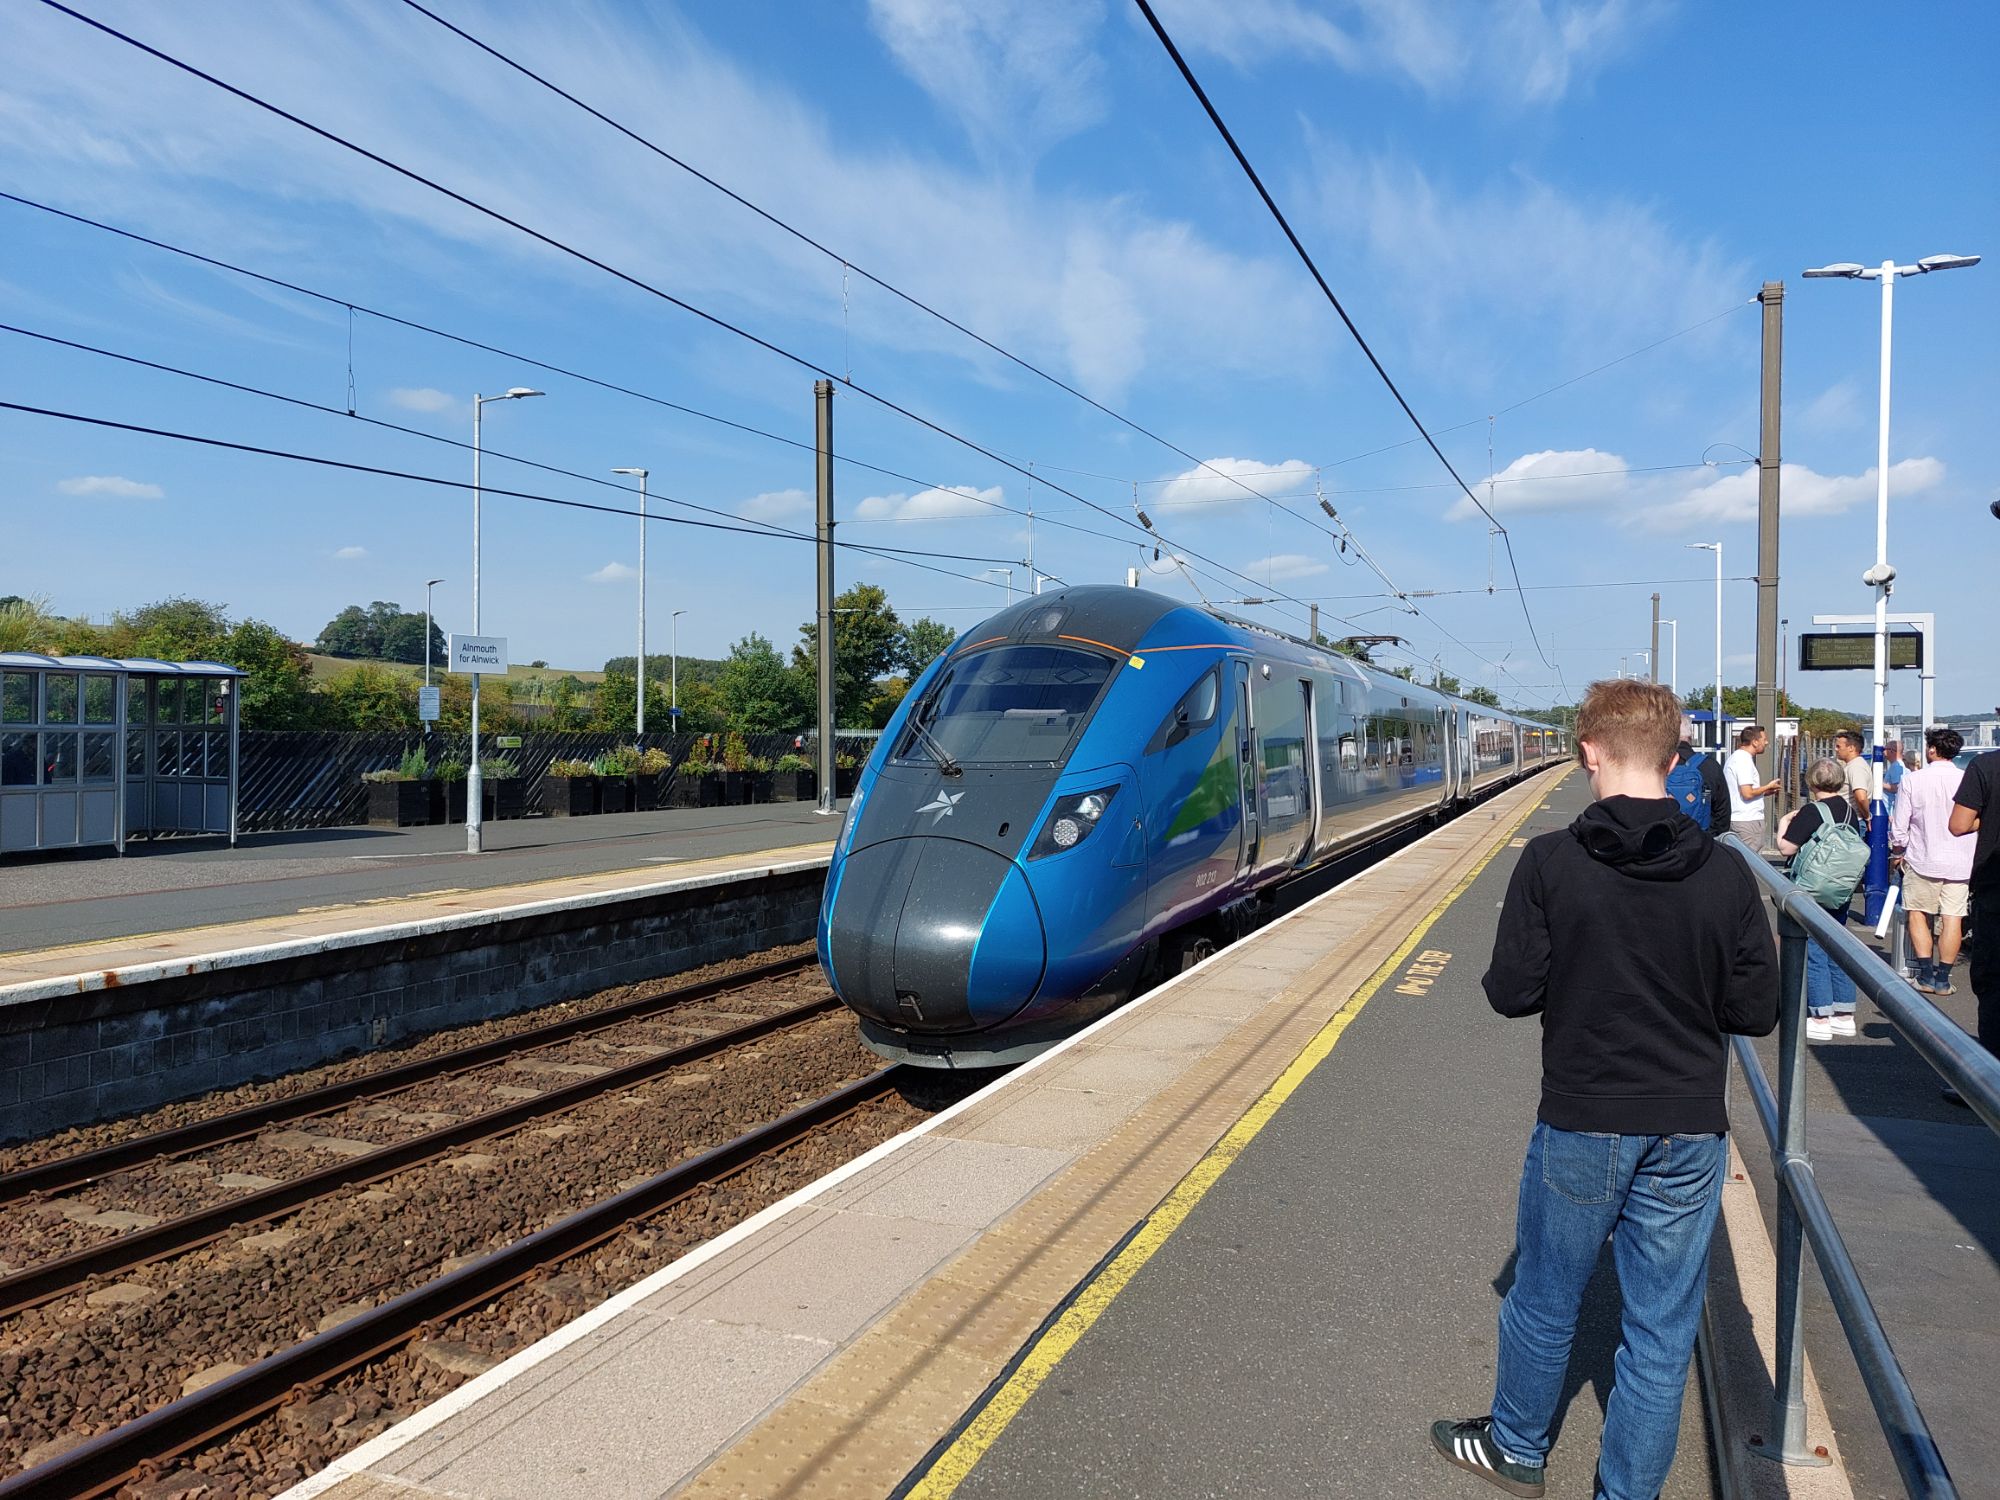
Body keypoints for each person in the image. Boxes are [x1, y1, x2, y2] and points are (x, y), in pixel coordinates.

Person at [1433, 680, 1777, 1500]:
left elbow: (1510, 992)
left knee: (1546, 1298)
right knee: (1660, 1335)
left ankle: (1517, 1447)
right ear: (1674, 758)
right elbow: (1754, 1011)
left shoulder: (1551, 862)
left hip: (1584, 1119)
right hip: (1689, 1127)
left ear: (1589, 752)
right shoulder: (1727, 874)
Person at [1778, 759, 1865, 1038]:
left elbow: (1785, 847)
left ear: (1811, 782)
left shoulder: (1812, 811)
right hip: (1841, 888)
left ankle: (1820, 1015)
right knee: (1837, 946)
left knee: (1814, 948)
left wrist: (1783, 823)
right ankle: (1844, 1012)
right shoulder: (1850, 812)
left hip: (1812, 887)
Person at [1892, 728, 1973, 997]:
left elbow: (1900, 824)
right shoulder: (1966, 780)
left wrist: (1897, 850)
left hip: (1923, 857)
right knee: (1953, 917)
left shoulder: (1913, 781)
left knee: (1918, 912)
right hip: (1961, 861)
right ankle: (1943, 978)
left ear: (1931, 750)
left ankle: (1925, 975)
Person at [1949, 746, 2000, 1102]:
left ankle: (1989, 1085)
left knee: (1994, 984)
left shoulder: (1985, 765)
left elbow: (1959, 824)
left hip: (1995, 889)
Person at [1724, 724, 1779, 843]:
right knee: (1750, 859)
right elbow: (1747, 793)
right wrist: (1768, 786)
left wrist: (1764, 792)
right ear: (1754, 742)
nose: (1766, 742)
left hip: (1742, 818)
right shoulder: (1743, 760)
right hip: (1747, 820)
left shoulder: (1737, 758)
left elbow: (1743, 793)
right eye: (1763, 739)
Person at [1834, 727, 1873, 822]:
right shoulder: (1853, 765)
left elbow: (1861, 798)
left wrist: (1867, 817)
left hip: (1851, 822)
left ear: (1851, 748)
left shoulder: (1856, 767)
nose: (1836, 749)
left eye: (1839, 746)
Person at [1883, 739, 1905, 819]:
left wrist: (1879, 783)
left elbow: (1896, 787)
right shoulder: (1896, 765)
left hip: (1890, 810)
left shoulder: (1896, 766)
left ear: (1892, 751)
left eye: (1885, 749)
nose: (1883, 752)